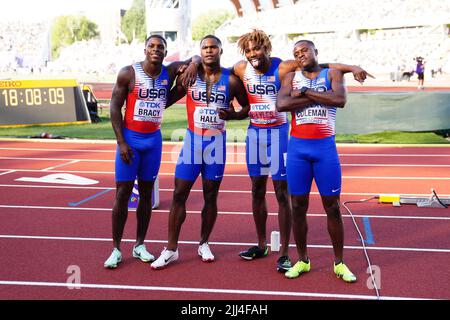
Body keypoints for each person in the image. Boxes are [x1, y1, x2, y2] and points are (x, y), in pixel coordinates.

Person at [231, 29, 372, 273]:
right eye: (249, 50)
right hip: (254, 134)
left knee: (282, 193)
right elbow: (224, 77)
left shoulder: (284, 67)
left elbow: (319, 63)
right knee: (256, 189)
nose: (254, 53)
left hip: (278, 134)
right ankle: (261, 244)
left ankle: (285, 252)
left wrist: (351, 66)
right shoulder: (241, 68)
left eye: (258, 48)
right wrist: (194, 62)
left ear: (266, 48)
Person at [150, 35, 249, 269]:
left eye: (213, 47)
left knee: (211, 196)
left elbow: (247, 107)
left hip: (216, 146)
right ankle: (171, 249)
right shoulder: (190, 75)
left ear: (221, 50)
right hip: (192, 143)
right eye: (204, 48)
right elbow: (165, 100)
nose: (208, 51)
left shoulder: (232, 81)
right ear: (200, 52)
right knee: (179, 194)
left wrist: (233, 116)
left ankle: (204, 242)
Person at [104, 35, 201, 269]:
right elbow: (114, 107)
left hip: (153, 141)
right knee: (123, 193)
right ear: (145, 49)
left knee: (147, 194)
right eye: (152, 46)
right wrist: (121, 142)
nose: (156, 50)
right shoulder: (129, 73)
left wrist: (195, 64)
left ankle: (139, 245)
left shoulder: (169, 72)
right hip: (131, 140)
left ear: (166, 53)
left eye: (161, 47)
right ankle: (116, 248)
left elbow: (195, 57)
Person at [276, 39, 357, 282]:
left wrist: (306, 94)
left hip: (325, 150)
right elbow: (282, 104)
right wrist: (322, 97)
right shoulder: (290, 78)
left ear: (316, 52)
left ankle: (339, 263)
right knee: (298, 207)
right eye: (296, 53)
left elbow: (339, 100)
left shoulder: (331, 73)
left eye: (304, 50)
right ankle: (302, 259)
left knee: (332, 206)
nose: (300, 55)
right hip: (298, 150)